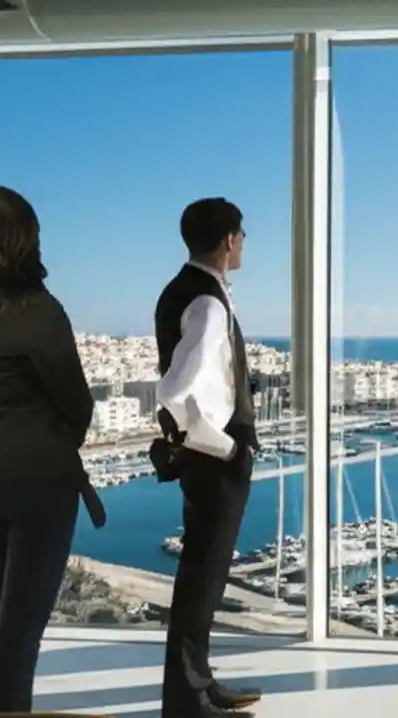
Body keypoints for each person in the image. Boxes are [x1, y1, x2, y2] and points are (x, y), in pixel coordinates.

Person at [0, 185, 104, 713]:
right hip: (38, 482)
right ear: (18, 240)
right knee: (21, 627)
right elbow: (76, 403)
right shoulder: (38, 312)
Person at [155, 197, 261, 718]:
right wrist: (231, 449)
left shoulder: (187, 292)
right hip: (214, 458)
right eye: (242, 236)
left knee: (202, 578)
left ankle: (198, 684)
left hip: (203, 456)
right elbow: (175, 395)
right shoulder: (207, 303)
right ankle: (189, 698)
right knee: (202, 579)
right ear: (229, 240)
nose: (243, 244)